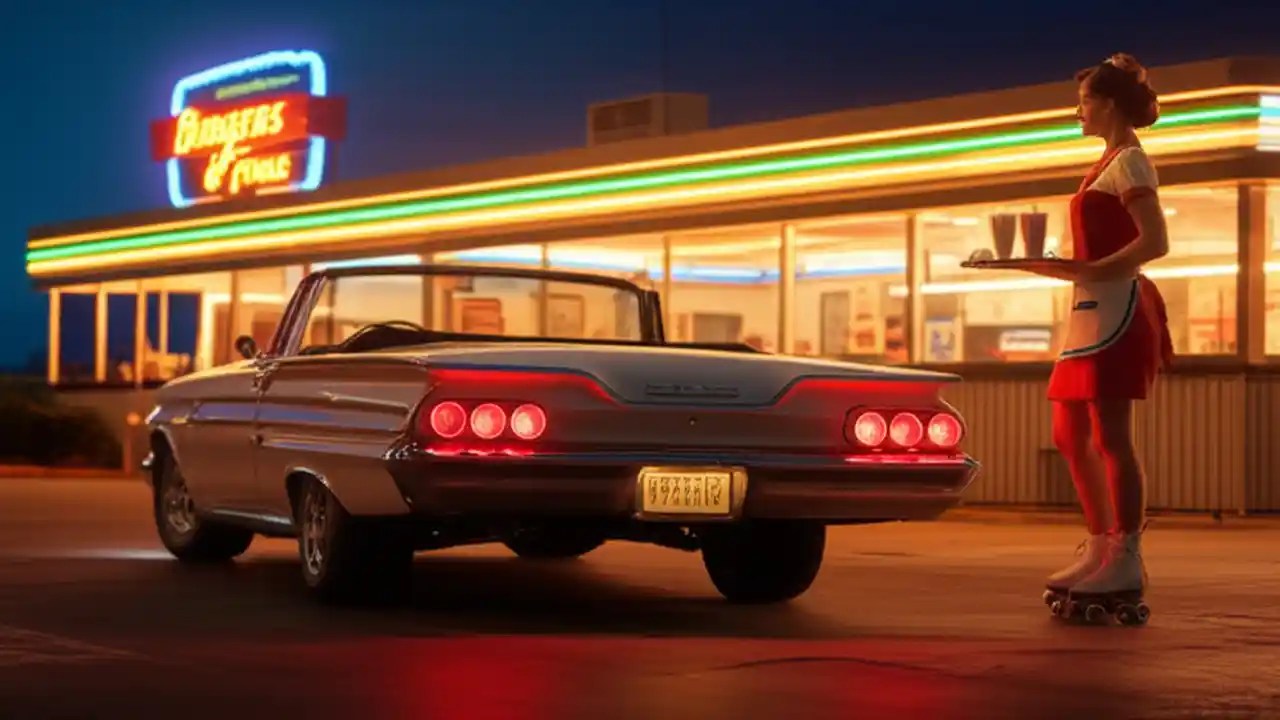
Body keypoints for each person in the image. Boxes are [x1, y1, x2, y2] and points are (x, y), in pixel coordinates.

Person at [1022, 53, 1172, 622]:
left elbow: (1155, 242)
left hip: (1117, 311)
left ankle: (1126, 552)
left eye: (1084, 100)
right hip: (1088, 311)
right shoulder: (1106, 162)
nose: (1077, 110)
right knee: (1068, 431)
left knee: (1112, 435)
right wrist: (1063, 268)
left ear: (1107, 103)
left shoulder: (1131, 162)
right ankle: (1100, 543)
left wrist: (1089, 269)